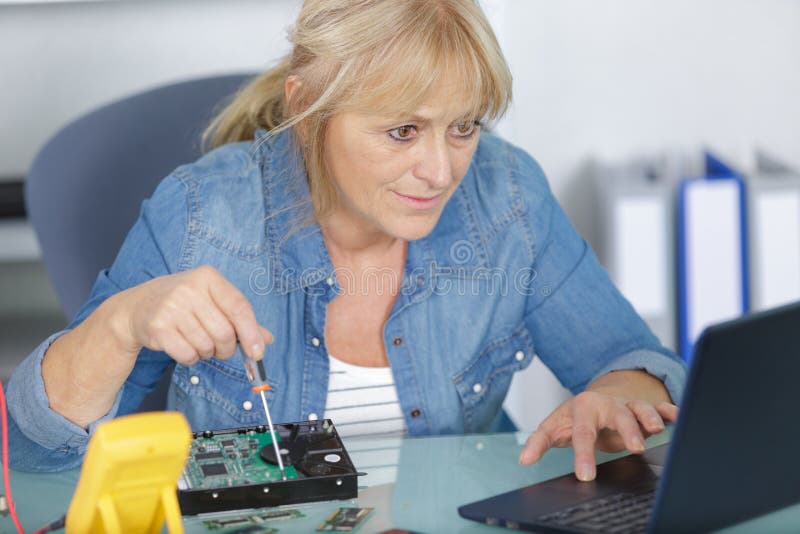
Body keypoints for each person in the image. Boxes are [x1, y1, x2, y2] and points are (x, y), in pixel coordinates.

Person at [7, 0, 686, 482]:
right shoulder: (200, 216)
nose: (442, 170)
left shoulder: (507, 196)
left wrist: (621, 393)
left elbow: (633, 361)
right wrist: (124, 321)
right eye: (403, 131)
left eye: (464, 126)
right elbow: (37, 455)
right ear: (306, 108)